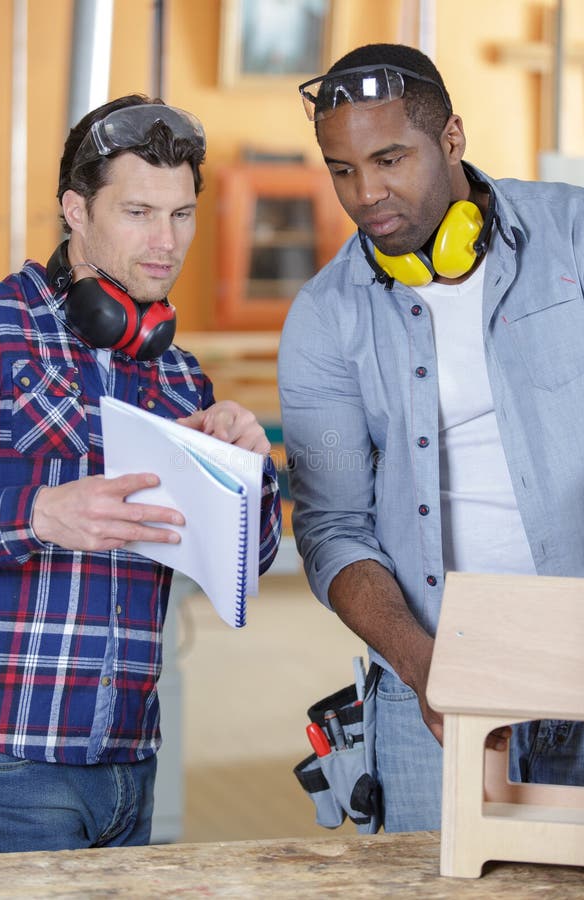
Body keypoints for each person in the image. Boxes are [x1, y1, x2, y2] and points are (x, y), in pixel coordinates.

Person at [278, 42, 584, 832]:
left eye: (389, 159)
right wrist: (426, 667)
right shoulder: (325, 315)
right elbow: (333, 525)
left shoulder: (575, 241)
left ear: (451, 137)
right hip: (437, 686)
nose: (366, 194)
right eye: (342, 169)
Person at [0, 94, 281, 853]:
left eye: (181, 215)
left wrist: (251, 472)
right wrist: (37, 514)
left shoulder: (180, 374)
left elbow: (247, 563)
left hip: (131, 766)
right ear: (76, 210)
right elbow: (33, 514)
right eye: (140, 213)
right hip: (6, 764)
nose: (167, 241)